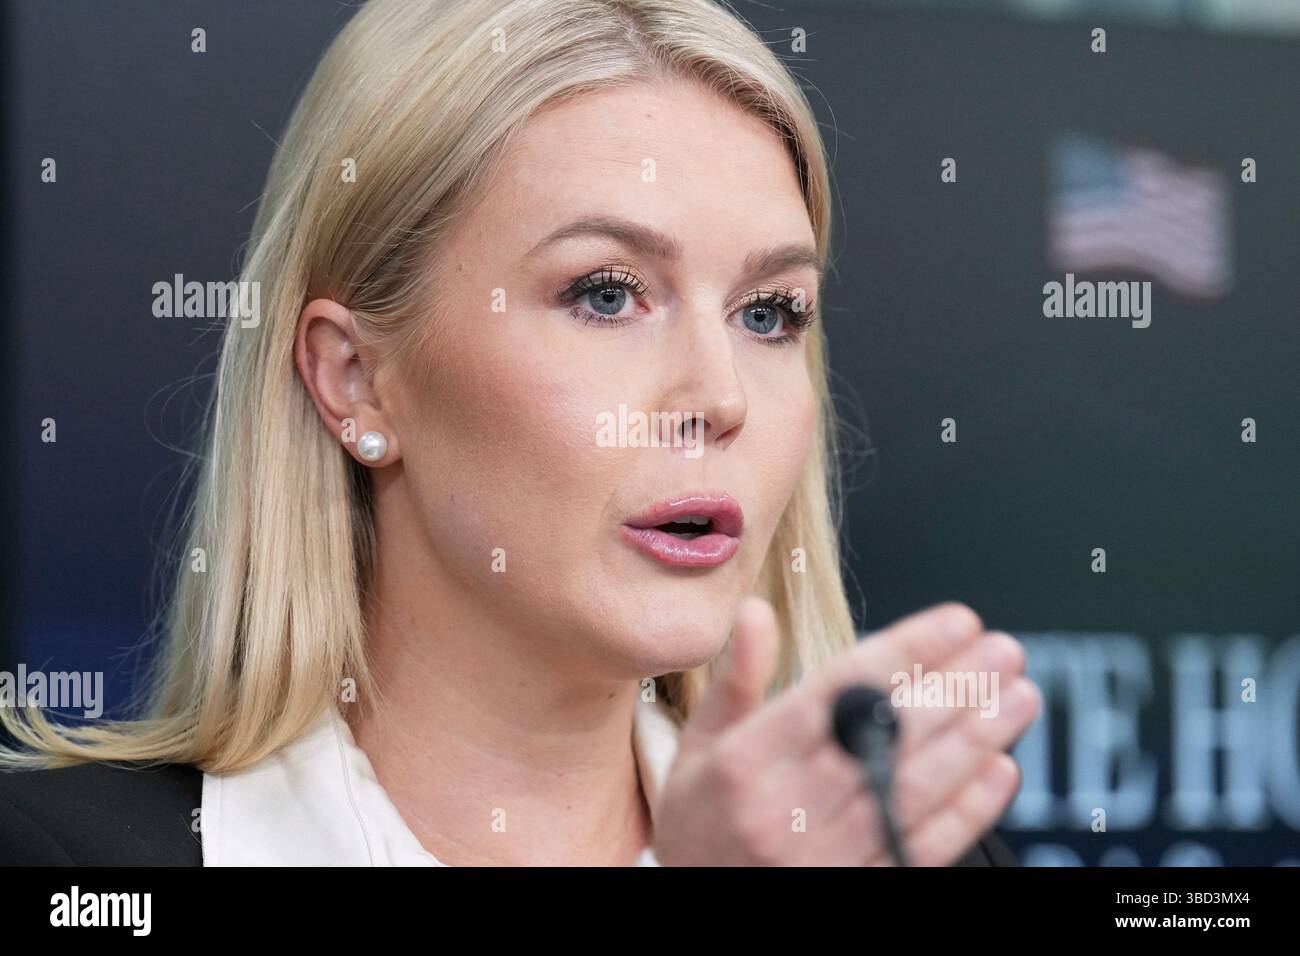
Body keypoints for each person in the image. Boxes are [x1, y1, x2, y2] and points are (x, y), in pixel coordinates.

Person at [0, 0, 1040, 866]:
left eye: (769, 312)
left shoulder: (911, 853)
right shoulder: (60, 862)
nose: (719, 397)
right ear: (355, 378)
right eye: (606, 294)